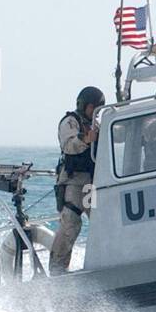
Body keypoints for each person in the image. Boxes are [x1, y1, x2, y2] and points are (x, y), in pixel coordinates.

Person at [49, 86, 104, 275]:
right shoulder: (70, 122)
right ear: (83, 105)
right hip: (73, 181)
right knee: (71, 223)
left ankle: (102, 260)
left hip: (91, 183)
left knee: (100, 221)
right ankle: (57, 268)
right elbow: (68, 145)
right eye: (92, 107)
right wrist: (86, 139)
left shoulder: (96, 125)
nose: (94, 112)